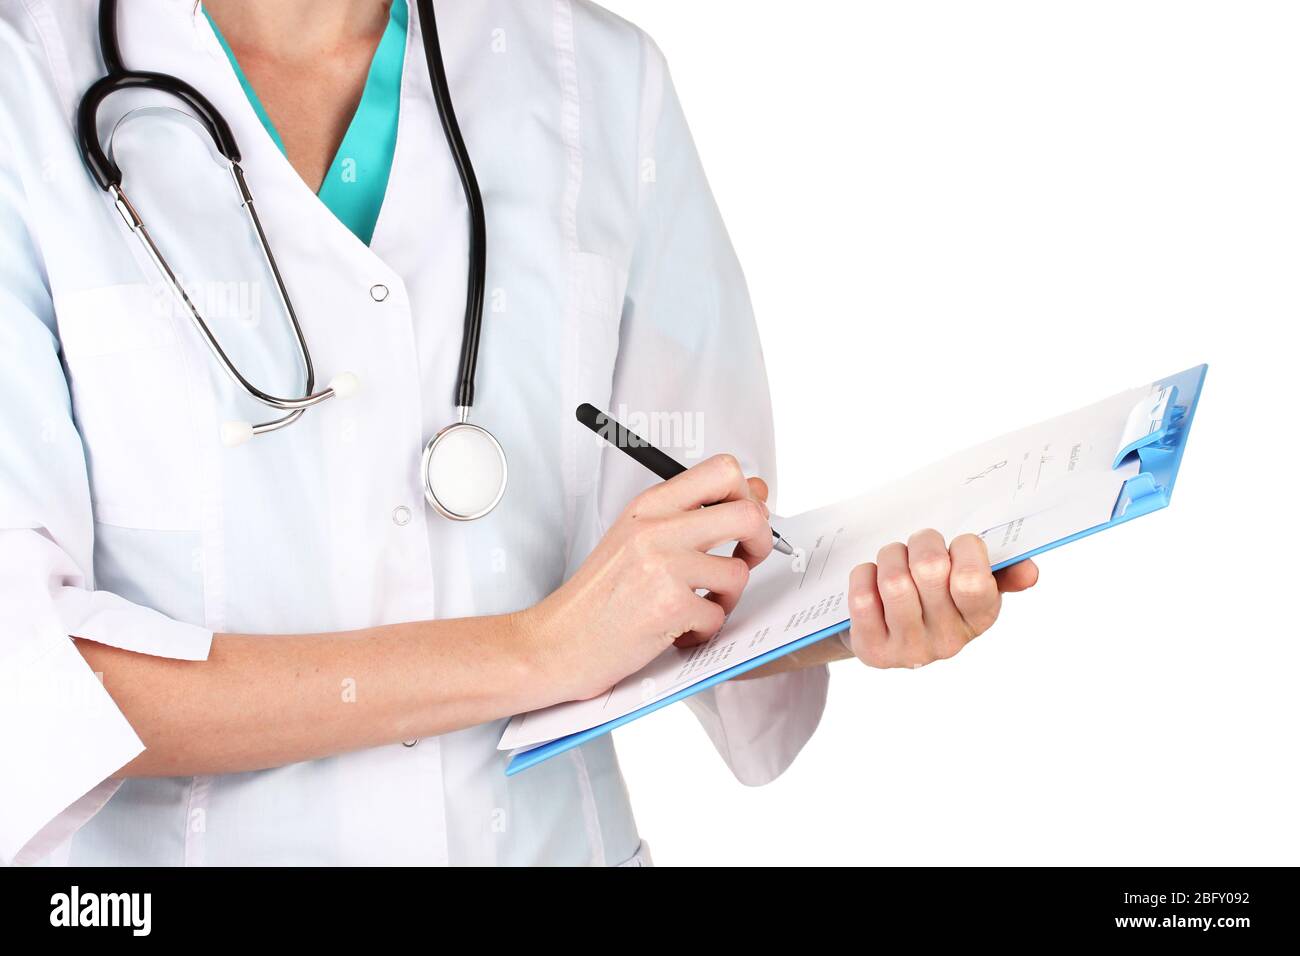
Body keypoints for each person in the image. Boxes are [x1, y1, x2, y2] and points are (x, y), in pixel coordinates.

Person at [0, 0, 1038, 866]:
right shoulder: (22, 85)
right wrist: (532, 652)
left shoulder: (596, 83)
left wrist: (852, 600)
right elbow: (31, 683)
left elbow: (698, 563)